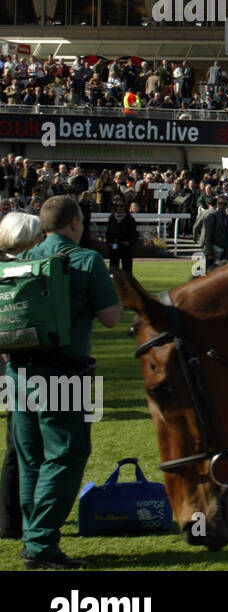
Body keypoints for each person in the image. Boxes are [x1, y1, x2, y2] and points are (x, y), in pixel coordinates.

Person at [8, 197, 121, 568]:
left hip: (18, 372)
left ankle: (31, 536)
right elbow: (111, 318)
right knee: (66, 454)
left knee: (30, 458)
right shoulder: (86, 260)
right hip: (64, 372)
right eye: (83, 220)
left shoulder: (23, 256)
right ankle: (41, 545)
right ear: (74, 222)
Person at [0, 212, 46, 542]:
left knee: (16, 445)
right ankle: (24, 523)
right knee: (30, 448)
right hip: (28, 366)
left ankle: (11, 520)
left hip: (13, 366)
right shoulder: (29, 269)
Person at [103, 197, 138, 276]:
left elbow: (134, 234)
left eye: (121, 206)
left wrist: (129, 242)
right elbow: (108, 232)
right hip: (114, 246)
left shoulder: (129, 219)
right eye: (117, 206)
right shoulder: (112, 218)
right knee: (113, 269)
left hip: (125, 246)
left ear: (125, 207)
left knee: (127, 270)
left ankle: (128, 286)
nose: (119, 208)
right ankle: (114, 286)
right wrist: (109, 243)